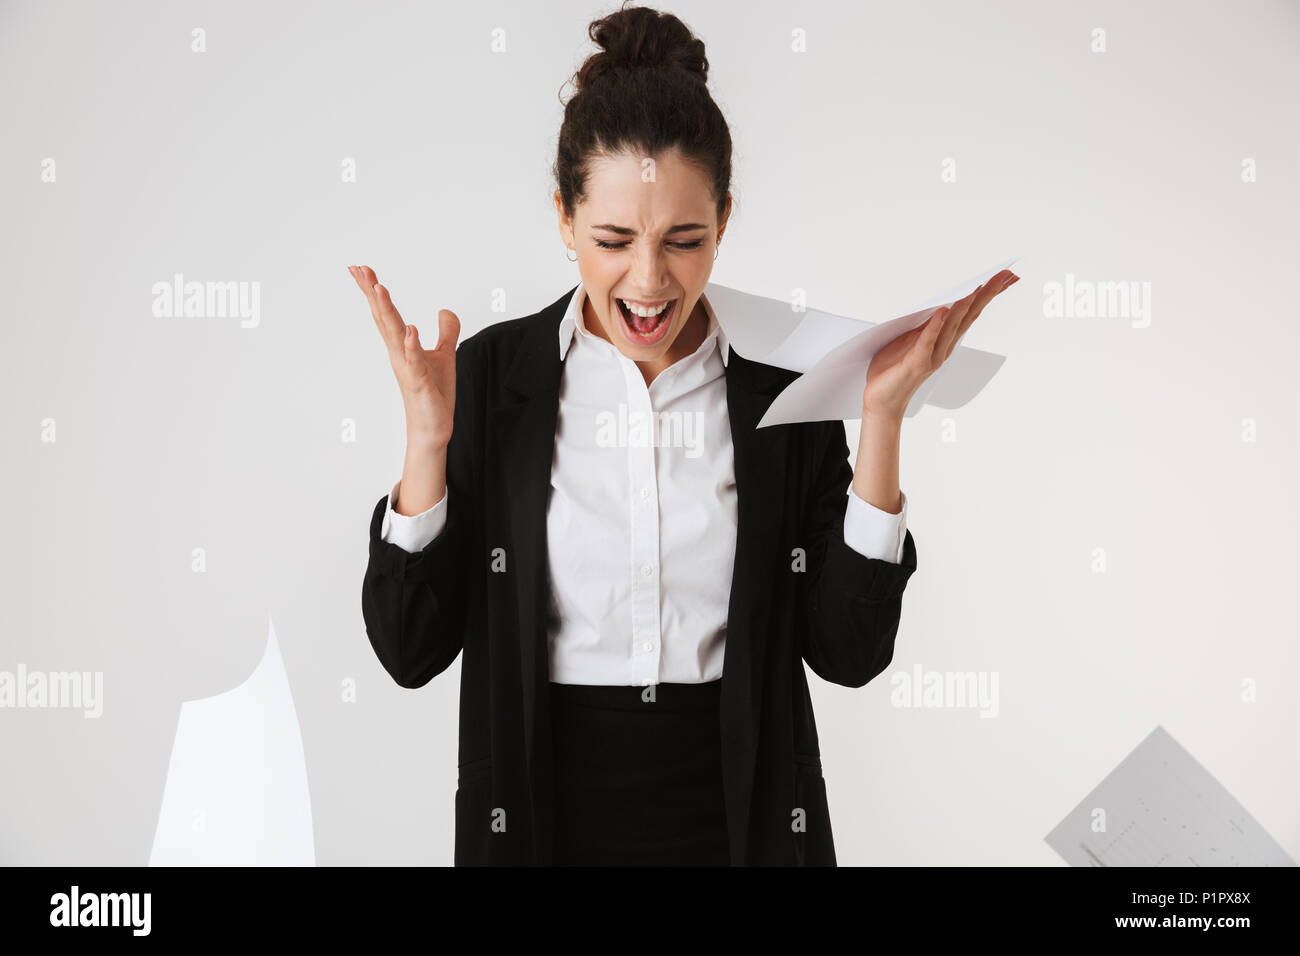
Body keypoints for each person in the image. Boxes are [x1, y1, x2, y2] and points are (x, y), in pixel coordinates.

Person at [352, 2, 1017, 866]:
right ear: (562, 218)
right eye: (613, 239)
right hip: (541, 818)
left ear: (726, 220)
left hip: (740, 822)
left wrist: (880, 417)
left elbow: (850, 654)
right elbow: (409, 651)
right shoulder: (486, 381)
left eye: (684, 239)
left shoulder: (784, 389)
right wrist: (427, 445)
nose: (648, 279)